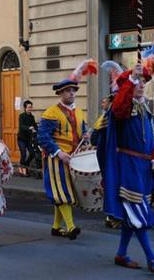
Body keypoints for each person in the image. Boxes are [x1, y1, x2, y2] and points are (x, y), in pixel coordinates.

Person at [99, 45, 154, 273]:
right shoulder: (122, 106)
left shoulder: (144, 108)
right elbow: (120, 107)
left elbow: (149, 137)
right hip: (128, 166)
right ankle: (152, 259)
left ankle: (121, 253)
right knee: (138, 212)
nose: (140, 86)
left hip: (143, 166)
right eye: (137, 83)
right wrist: (131, 78)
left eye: (142, 83)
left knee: (132, 213)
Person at [37, 59, 96, 240]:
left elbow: (82, 130)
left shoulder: (79, 112)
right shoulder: (51, 113)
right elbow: (42, 137)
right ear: (60, 93)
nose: (72, 93)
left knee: (62, 192)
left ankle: (56, 227)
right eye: (68, 91)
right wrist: (58, 152)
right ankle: (70, 227)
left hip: (72, 157)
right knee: (62, 191)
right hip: (56, 159)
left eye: (73, 90)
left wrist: (86, 137)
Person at [17, 100, 37, 176]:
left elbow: (35, 126)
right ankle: (22, 169)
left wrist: (36, 129)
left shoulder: (32, 117)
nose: (30, 108)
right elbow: (21, 126)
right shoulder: (21, 116)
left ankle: (25, 166)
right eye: (29, 107)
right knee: (23, 154)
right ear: (25, 108)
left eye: (31, 107)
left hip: (28, 139)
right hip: (21, 139)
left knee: (32, 153)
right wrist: (29, 128)